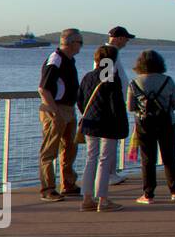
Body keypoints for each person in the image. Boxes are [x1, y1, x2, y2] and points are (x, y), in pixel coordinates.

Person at [126, 49, 175, 204]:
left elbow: (130, 106)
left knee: (148, 159)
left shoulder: (134, 83)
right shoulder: (168, 80)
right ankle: (174, 191)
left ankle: (148, 194)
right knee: (169, 157)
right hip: (166, 122)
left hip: (144, 124)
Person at [76, 46, 126, 212]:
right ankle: (103, 200)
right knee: (104, 160)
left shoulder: (88, 76)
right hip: (108, 125)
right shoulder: (111, 78)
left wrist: (89, 113)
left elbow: (80, 100)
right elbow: (116, 105)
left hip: (90, 122)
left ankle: (87, 199)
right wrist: (120, 125)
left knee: (91, 158)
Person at [37, 28, 83, 201]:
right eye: (79, 42)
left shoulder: (69, 60)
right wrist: (54, 111)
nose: (81, 46)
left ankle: (68, 183)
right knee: (50, 150)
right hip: (56, 108)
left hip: (68, 108)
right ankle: (48, 188)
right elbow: (43, 88)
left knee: (70, 147)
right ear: (71, 43)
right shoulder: (56, 59)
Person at [104, 26, 137, 186]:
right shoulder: (107, 54)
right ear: (118, 38)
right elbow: (104, 81)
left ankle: (112, 172)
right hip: (111, 105)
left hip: (115, 103)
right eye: (125, 38)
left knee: (113, 141)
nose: (127, 42)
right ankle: (109, 174)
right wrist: (111, 103)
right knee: (109, 141)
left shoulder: (112, 53)